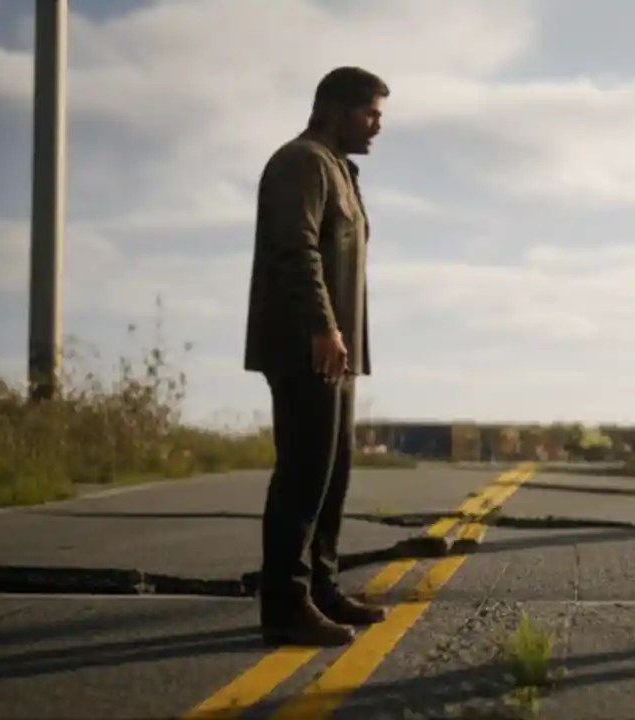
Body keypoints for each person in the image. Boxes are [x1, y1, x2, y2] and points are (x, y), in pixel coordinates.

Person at [243, 66, 390, 646]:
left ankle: (321, 588)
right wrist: (322, 326)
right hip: (306, 344)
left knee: (333, 475)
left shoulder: (340, 171)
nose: (378, 126)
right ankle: (285, 603)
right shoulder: (301, 162)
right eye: (371, 113)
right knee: (304, 474)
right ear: (335, 111)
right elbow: (294, 247)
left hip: (335, 351)